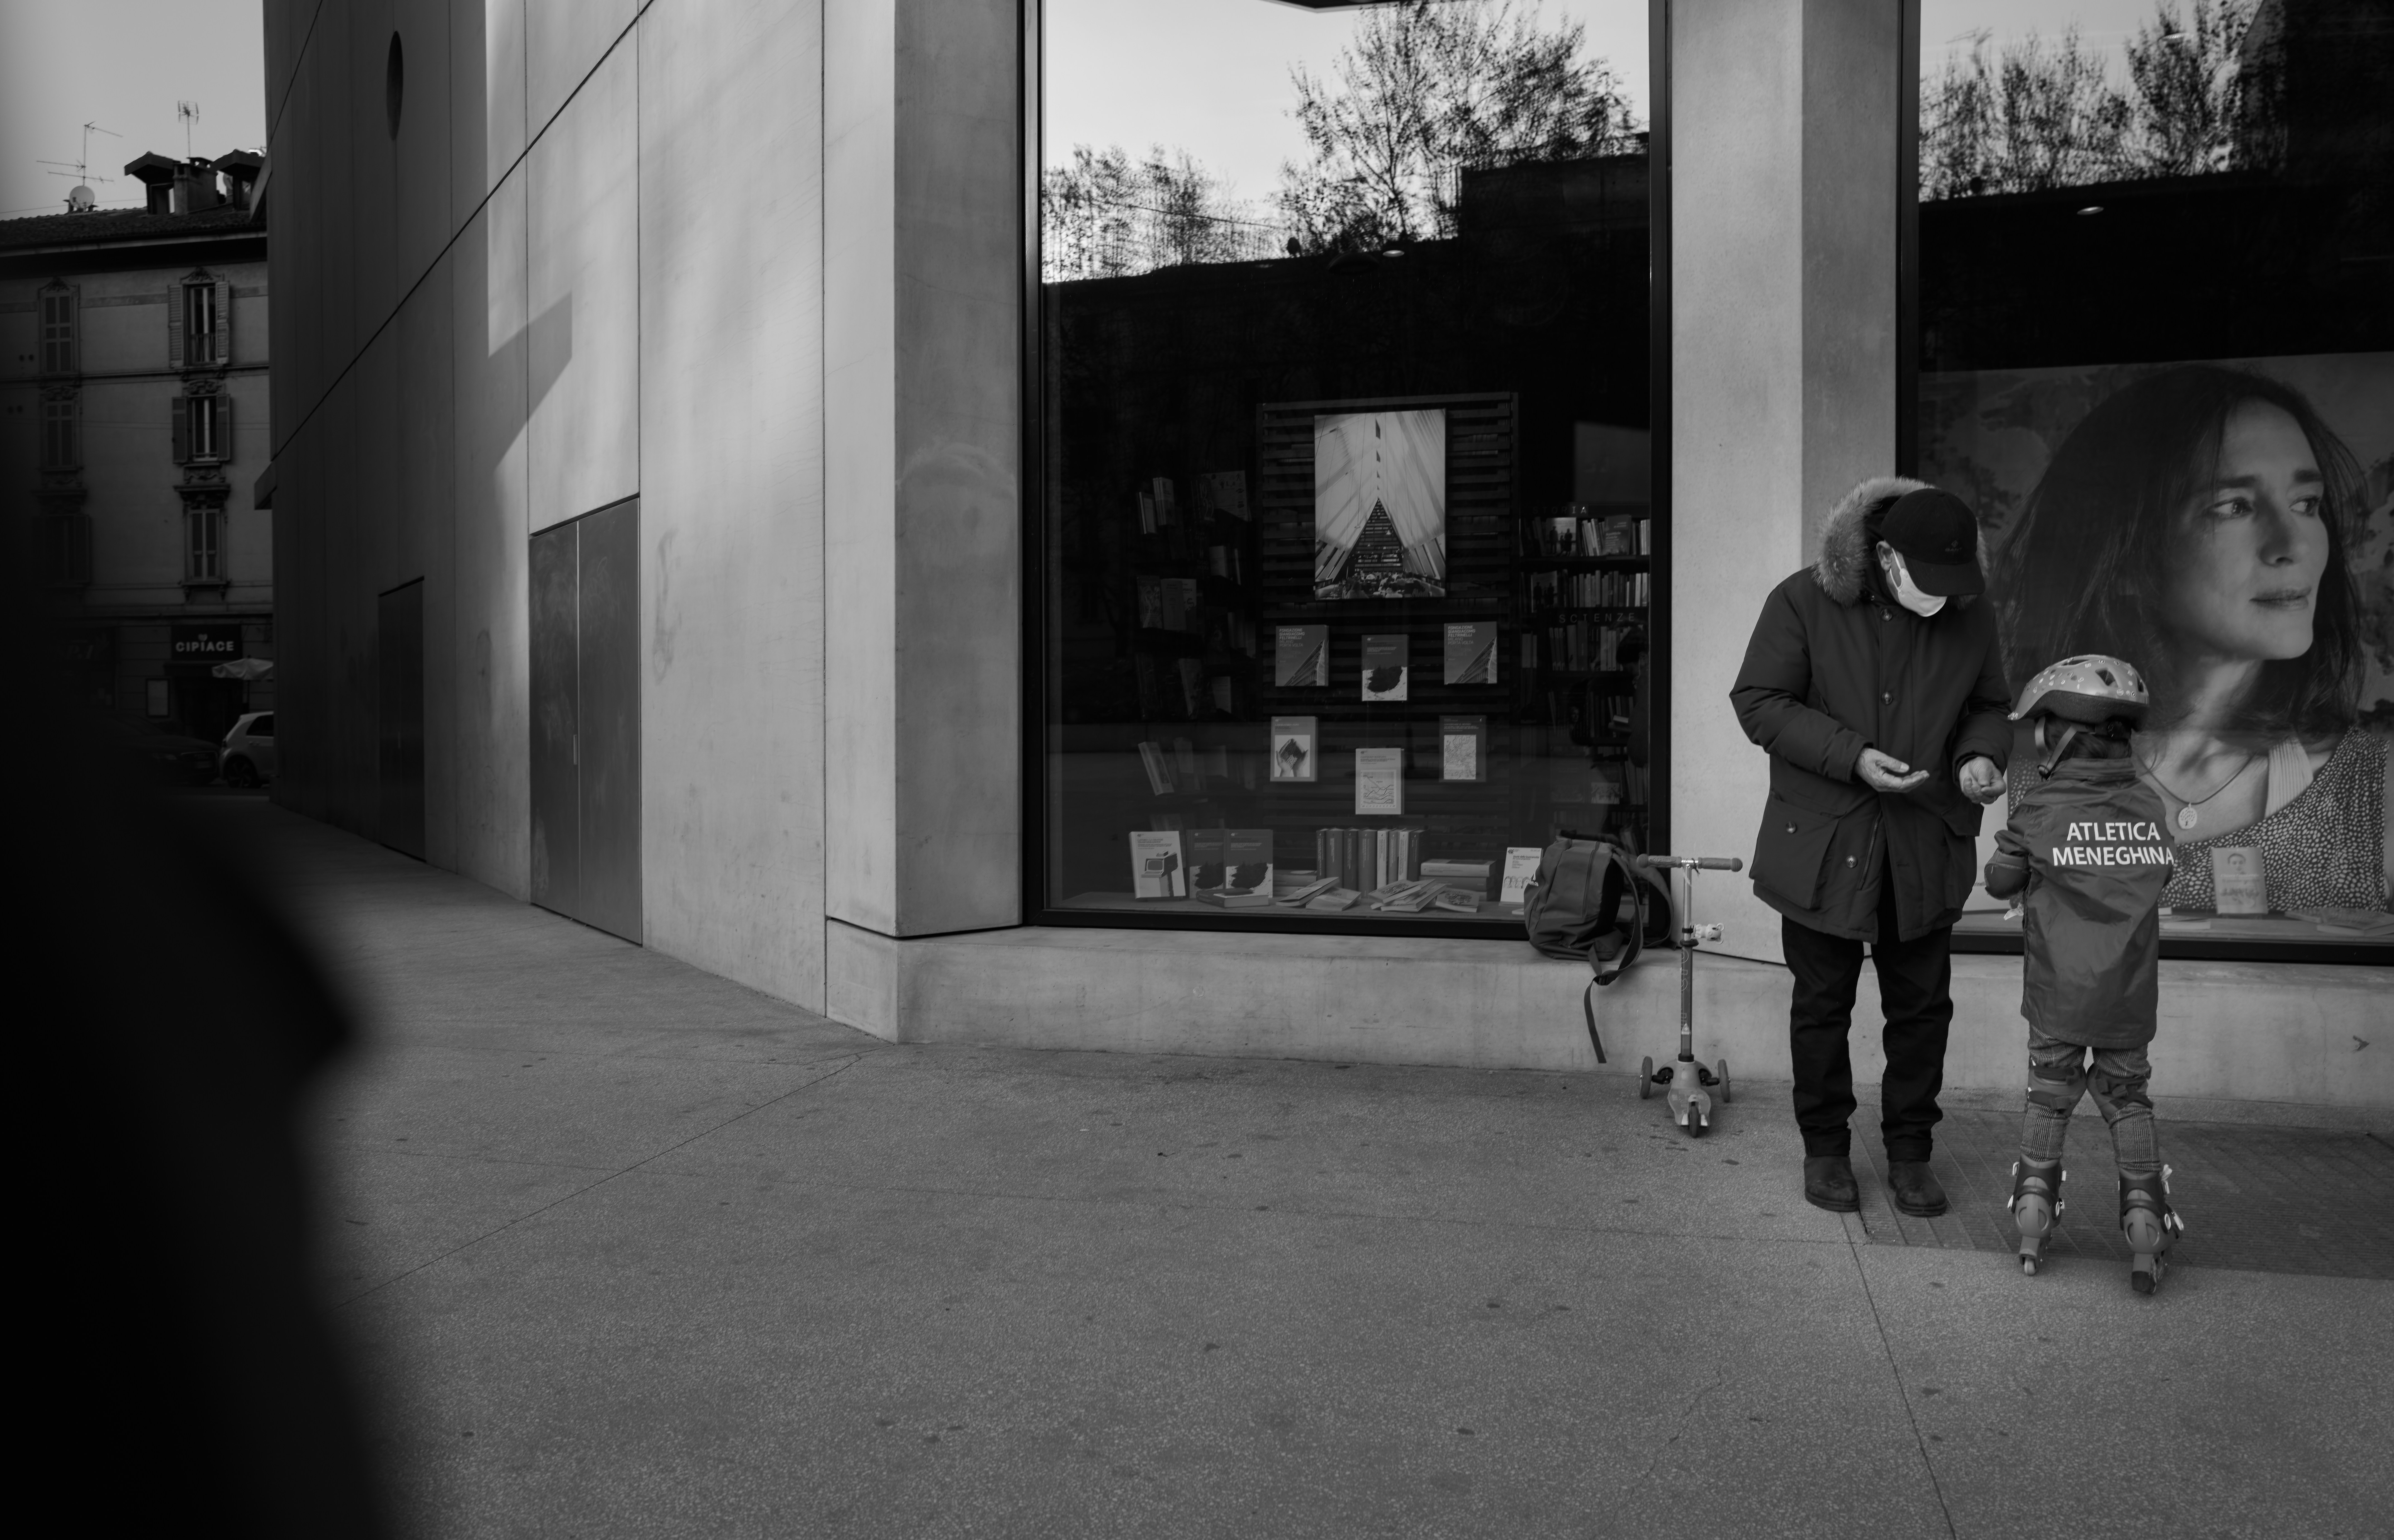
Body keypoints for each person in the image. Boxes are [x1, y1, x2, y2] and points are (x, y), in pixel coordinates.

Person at [1990, 364, 2391, 918]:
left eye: (2306, 504)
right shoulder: (2013, 788)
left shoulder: (2374, 791)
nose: (2292, 545)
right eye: (2235, 506)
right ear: (2125, 555)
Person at [1732, 480, 2012, 1216]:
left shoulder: (1969, 609)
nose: (1942, 599)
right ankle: (1825, 1151)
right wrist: (1851, 756)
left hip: (1926, 839)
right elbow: (1759, 702)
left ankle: (1911, 1154)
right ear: (1885, 557)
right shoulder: (1801, 601)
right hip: (1825, 842)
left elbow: (1988, 704)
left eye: (1956, 586)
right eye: (1929, 583)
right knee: (1821, 1005)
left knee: (1921, 1010)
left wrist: (1979, 758)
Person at [1984, 654, 2185, 1293]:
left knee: (2049, 1091)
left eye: (2043, 725)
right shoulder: (2150, 806)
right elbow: (2161, 876)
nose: (2039, 736)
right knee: (2128, 1099)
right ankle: (2145, 1224)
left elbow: (1998, 884)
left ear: (2065, 734)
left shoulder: (2039, 807)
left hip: (2057, 996)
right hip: (2128, 994)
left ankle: (2033, 1216)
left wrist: (2026, 858)